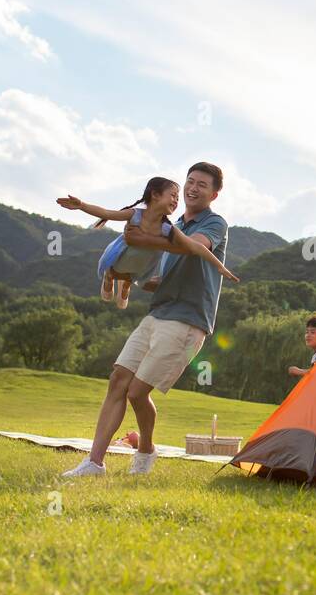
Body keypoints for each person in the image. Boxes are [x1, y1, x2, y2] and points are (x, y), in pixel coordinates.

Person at [62, 162, 230, 478]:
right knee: (118, 380)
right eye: (189, 182)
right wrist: (144, 278)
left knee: (138, 392)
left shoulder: (214, 224)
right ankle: (94, 463)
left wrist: (140, 237)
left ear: (215, 194)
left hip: (188, 319)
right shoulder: (172, 221)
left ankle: (146, 449)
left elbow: (195, 249)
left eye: (202, 185)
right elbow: (161, 266)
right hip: (158, 313)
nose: (192, 188)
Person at [56, 176, 237, 309]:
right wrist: (82, 205)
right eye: (173, 196)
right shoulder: (135, 214)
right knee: (114, 269)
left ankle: (126, 284)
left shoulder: (168, 228)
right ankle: (109, 277)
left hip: (142, 264)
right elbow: (106, 213)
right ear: (156, 195)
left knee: (131, 276)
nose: (176, 201)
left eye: (177, 198)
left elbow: (193, 247)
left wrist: (219, 266)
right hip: (124, 255)